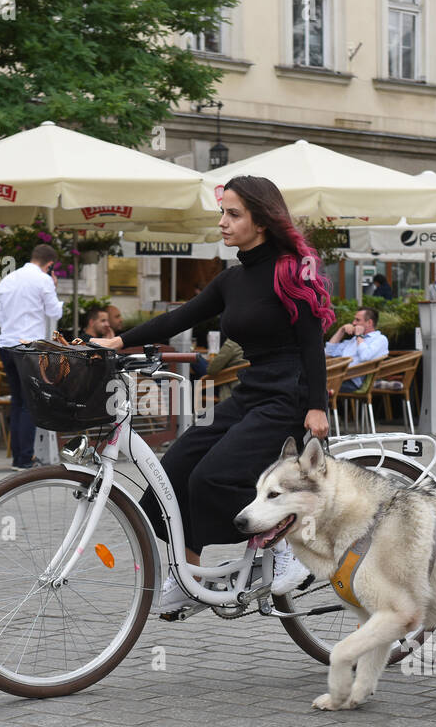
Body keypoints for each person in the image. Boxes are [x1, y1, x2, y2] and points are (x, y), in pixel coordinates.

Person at [90, 175, 330, 614]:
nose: (222, 222)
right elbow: (177, 319)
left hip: (288, 394)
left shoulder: (291, 270)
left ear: (261, 221)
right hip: (253, 389)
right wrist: (116, 344)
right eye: (222, 211)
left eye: (233, 213)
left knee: (212, 478)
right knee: (175, 470)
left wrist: (318, 405)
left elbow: (313, 340)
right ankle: (189, 576)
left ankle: (285, 547)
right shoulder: (232, 279)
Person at [0, 243, 63, 471]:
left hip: (6, 344)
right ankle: (24, 459)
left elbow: (0, 315)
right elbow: (55, 312)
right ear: (50, 264)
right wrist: (53, 285)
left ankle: (18, 456)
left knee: (17, 402)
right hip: (28, 347)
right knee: (28, 403)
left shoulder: (8, 279)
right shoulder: (43, 280)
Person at [325, 307, 389, 392]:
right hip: (336, 377)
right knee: (307, 384)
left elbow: (365, 356)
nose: (353, 323)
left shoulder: (380, 339)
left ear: (369, 322)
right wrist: (341, 331)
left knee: (311, 388)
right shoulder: (353, 340)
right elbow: (327, 353)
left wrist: (359, 336)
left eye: (357, 320)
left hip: (352, 381)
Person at [202, 338, 245, 402]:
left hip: (223, 384)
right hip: (242, 384)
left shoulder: (232, 343)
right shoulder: (254, 342)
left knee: (195, 360)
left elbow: (211, 370)